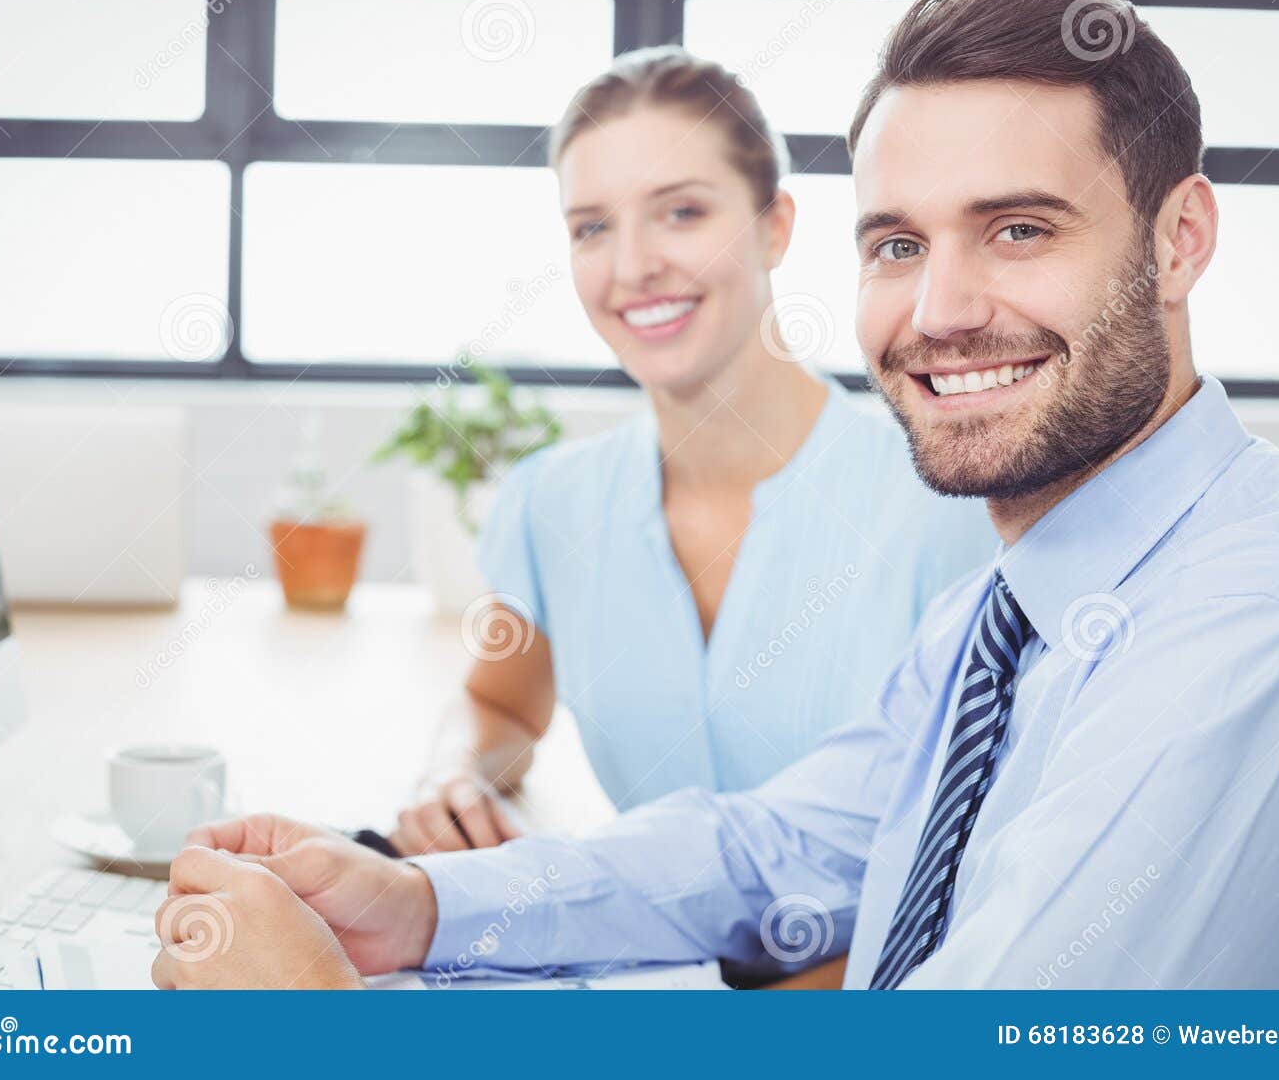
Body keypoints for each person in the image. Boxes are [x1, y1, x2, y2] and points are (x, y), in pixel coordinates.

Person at [152, 0, 1279, 991]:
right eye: (897, 244)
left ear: (1180, 240)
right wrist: (422, 905)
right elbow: (778, 845)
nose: (941, 311)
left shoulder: (1253, 636)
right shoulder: (1022, 601)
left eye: (1018, 228)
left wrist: (317, 1025)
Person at [387, 48, 992, 867]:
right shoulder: (554, 504)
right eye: (592, 227)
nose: (633, 266)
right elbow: (501, 705)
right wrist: (452, 772)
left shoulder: (945, 503)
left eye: (681, 212)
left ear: (775, 227)